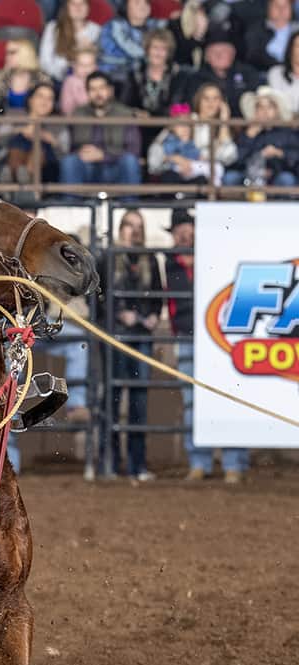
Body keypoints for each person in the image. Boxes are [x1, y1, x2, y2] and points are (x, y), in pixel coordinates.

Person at [163, 208, 248, 483]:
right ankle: (200, 462)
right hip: (189, 335)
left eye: (189, 228)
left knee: (226, 398)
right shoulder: (171, 260)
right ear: (174, 235)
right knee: (192, 403)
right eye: (180, 230)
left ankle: (233, 462)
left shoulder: (215, 255)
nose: (185, 234)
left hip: (217, 337)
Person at [101, 208, 162, 481]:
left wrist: (152, 316)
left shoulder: (149, 258)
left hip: (140, 334)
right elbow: (100, 297)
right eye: (128, 225)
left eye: (137, 225)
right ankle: (112, 463)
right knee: (113, 399)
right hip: (117, 334)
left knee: (138, 400)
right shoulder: (109, 258)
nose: (133, 230)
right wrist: (118, 314)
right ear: (120, 228)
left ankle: (137, 464)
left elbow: (158, 295)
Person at [59, 71, 141, 186]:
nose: (98, 93)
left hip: (115, 166)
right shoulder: (78, 113)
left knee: (130, 161)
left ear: (110, 90)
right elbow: (68, 146)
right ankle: (70, 204)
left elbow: (134, 150)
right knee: (69, 162)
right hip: (86, 166)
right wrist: (81, 152)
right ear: (87, 92)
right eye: (93, 89)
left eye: (102, 88)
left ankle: (130, 204)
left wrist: (104, 156)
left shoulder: (125, 114)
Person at [146, 85, 237, 185]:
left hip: (203, 171)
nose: (211, 103)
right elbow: (156, 152)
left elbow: (229, 157)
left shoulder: (223, 127)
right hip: (176, 170)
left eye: (216, 98)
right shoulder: (185, 120)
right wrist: (173, 158)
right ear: (198, 100)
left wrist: (224, 123)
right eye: (206, 98)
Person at [0, 82, 70, 184]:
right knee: (20, 140)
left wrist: (50, 139)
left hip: (46, 168)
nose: (44, 102)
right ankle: (19, 181)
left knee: (39, 146)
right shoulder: (14, 115)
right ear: (30, 99)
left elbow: (65, 151)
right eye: (40, 96)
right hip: (10, 158)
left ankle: (22, 183)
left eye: (50, 98)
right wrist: (20, 131)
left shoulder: (58, 123)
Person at [181, 20, 260, 117]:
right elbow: (186, 106)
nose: (219, 55)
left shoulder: (248, 74)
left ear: (233, 54)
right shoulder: (195, 79)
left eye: (224, 51)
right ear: (206, 56)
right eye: (214, 52)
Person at [224, 86, 299, 188]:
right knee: (230, 177)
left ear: (277, 111)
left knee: (286, 179)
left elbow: (295, 156)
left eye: (269, 107)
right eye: (260, 107)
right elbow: (236, 159)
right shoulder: (247, 132)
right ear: (255, 111)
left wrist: (279, 153)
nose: (265, 111)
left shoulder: (287, 132)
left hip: (277, 175)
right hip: (249, 177)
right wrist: (249, 136)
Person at [97, 0, 158, 86]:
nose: (143, 6)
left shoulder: (155, 27)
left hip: (146, 80)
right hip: (114, 79)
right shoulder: (113, 27)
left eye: (146, 2)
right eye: (137, 2)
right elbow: (110, 56)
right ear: (126, 6)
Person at [0, 38, 52, 114]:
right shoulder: (1, 77)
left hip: (36, 122)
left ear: (25, 54)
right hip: (6, 122)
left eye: (12, 52)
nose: (7, 57)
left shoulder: (41, 78)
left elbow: (48, 108)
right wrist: (2, 113)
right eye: (6, 53)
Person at [39, 0, 101, 83]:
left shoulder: (96, 30)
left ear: (88, 7)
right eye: (73, 4)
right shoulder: (53, 28)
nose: (78, 7)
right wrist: (63, 75)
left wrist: (91, 50)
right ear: (66, 7)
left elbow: (99, 62)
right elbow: (45, 61)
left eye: (82, 3)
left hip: (88, 81)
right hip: (57, 80)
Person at [243, 0, 299, 72]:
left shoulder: (297, 30)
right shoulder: (256, 30)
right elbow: (253, 56)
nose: (281, 10)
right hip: (264, 74)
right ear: (268, 8)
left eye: (285, 6)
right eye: (276, 5)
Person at [58, 44, 97, 115]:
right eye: (81, 65)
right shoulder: (70, 82)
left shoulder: (99, 80)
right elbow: (66, 108)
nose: (86, 69)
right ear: (74, 66)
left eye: (89, 65)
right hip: (76, 118)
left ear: (95, 67)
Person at [267, 29, 299, 114]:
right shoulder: (276, 73)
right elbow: (278, 103)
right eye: (298, 46)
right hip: (282, 123)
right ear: (291, 49)